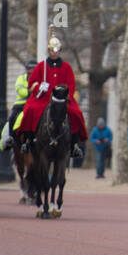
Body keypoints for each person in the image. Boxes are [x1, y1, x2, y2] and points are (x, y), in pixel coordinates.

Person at [15, 30, 87, 160]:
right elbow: (31, 82)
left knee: (76, 113)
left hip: (61, 99)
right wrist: (38, 87)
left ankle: (75, 144)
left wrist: (63, 92)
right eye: (53, 50)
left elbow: (71, 84)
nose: (55, 52)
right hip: (43, 99)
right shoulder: (41, 66)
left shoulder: (66, 67)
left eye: (57, 50)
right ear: (49, 51)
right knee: (30, 110)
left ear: (59, 51)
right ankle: (27, 139)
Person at [0, 59, 38, 151]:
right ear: (26, 70)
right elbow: (19, 90)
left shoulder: (39, 79)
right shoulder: (21, 78)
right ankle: (11, 138)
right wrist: (30, 91)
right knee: (12, 118)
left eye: (33, 69)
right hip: (21, 104)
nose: (31, 71)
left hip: (35, 104)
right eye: (29, 69)